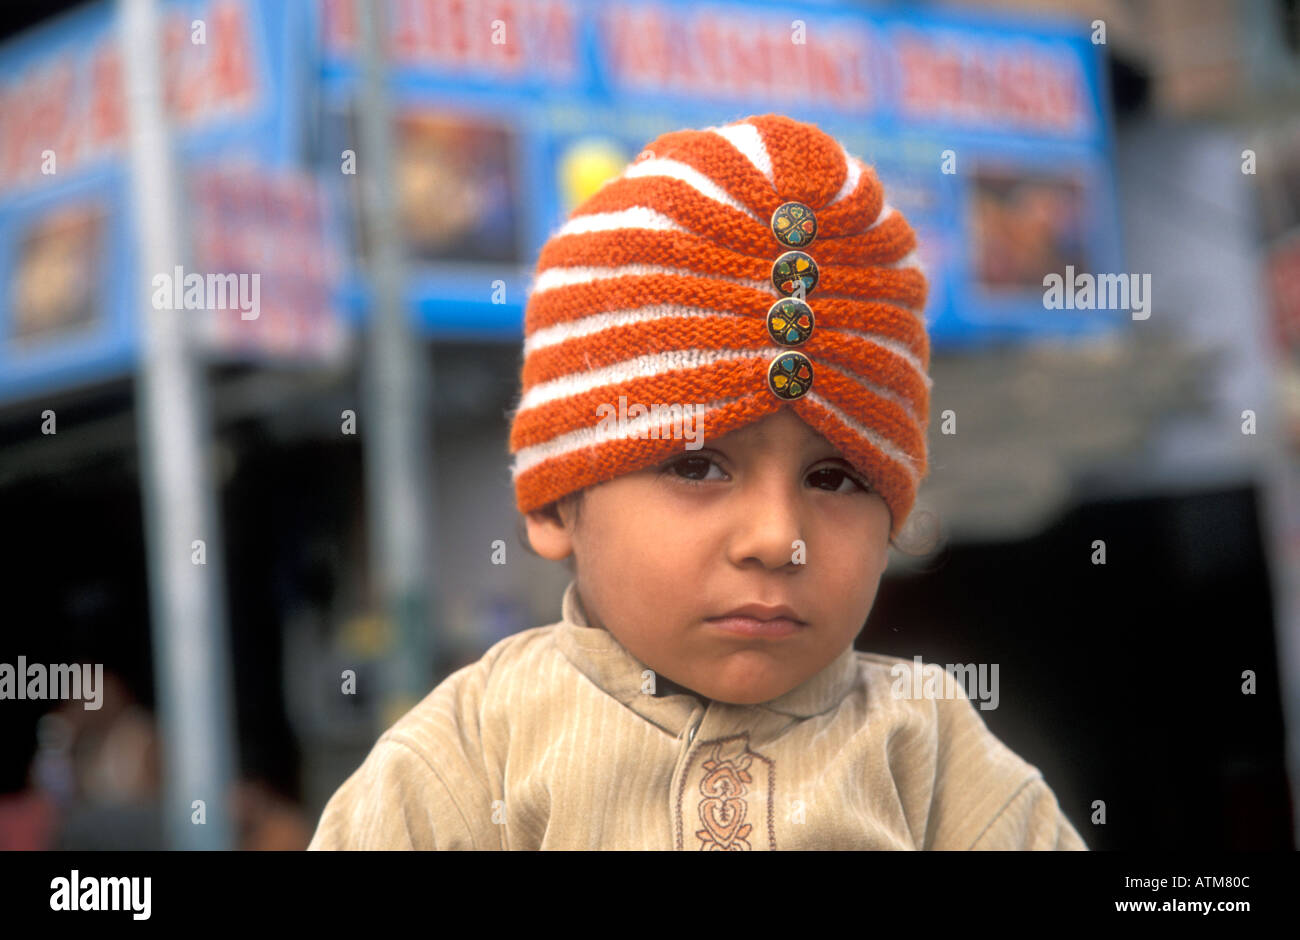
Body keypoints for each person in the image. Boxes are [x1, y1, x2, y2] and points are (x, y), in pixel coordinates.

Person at [308, 113, 1087, 850]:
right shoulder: (469, 755)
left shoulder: (933, 751)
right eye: (694, 466)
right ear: (554, 501)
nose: (778, 539)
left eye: (837, 477)